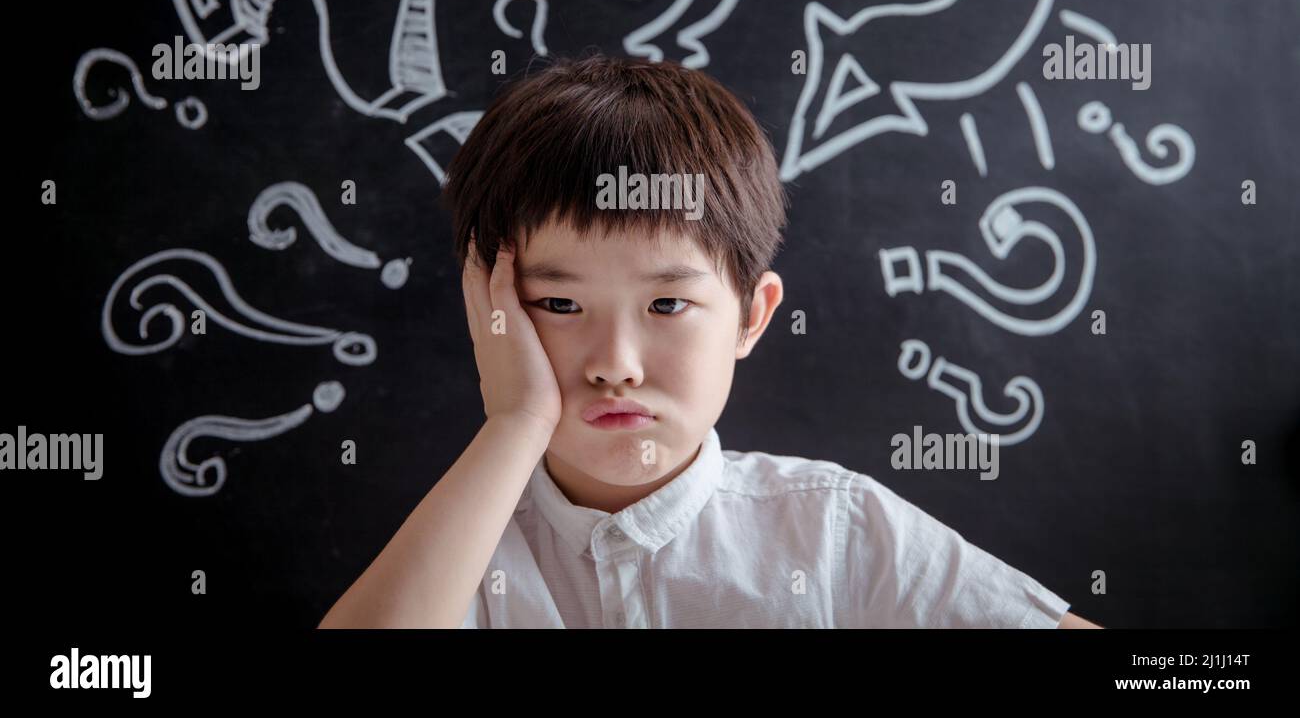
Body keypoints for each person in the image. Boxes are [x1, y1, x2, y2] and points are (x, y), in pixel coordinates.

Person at [318, 53, 1100, 629]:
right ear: (493, 313)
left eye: (666, 304)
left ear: (752, 316)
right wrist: (514, 422)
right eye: (558, 302)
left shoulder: (834, 530)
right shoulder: (461, 552)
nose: (615, 365)